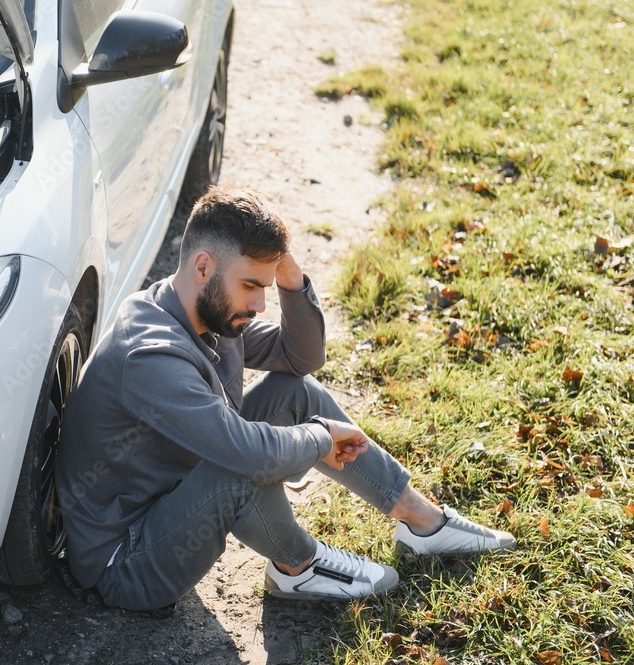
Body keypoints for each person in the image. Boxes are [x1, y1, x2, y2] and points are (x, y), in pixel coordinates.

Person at [54, 186, 514, 611]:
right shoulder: (151, 356)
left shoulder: (206, 310)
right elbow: (246, 455)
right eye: (252, 286)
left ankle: (421, 520)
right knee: (242, 465)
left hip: (172, 496)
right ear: (202, 266)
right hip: (127, 561)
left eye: (265, 286)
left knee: (292, 394)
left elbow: (301, 357)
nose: (259, 304)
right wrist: (320, 437)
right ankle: (299, 566)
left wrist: (290, 280)